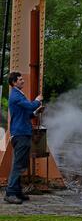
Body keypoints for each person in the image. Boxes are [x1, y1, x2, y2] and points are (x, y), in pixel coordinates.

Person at [4, 72, 43, 204]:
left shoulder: (18, 95)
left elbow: (27, 113)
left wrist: (36, 112)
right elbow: (30, 106)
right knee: (18, 164)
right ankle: (10, 193)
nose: (23, 81)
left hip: (22, 132)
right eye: (20, 80)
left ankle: (17, 191)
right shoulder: (16, 96)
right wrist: (37, 100)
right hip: (20, 133)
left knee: (21, 164)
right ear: (14, 82)